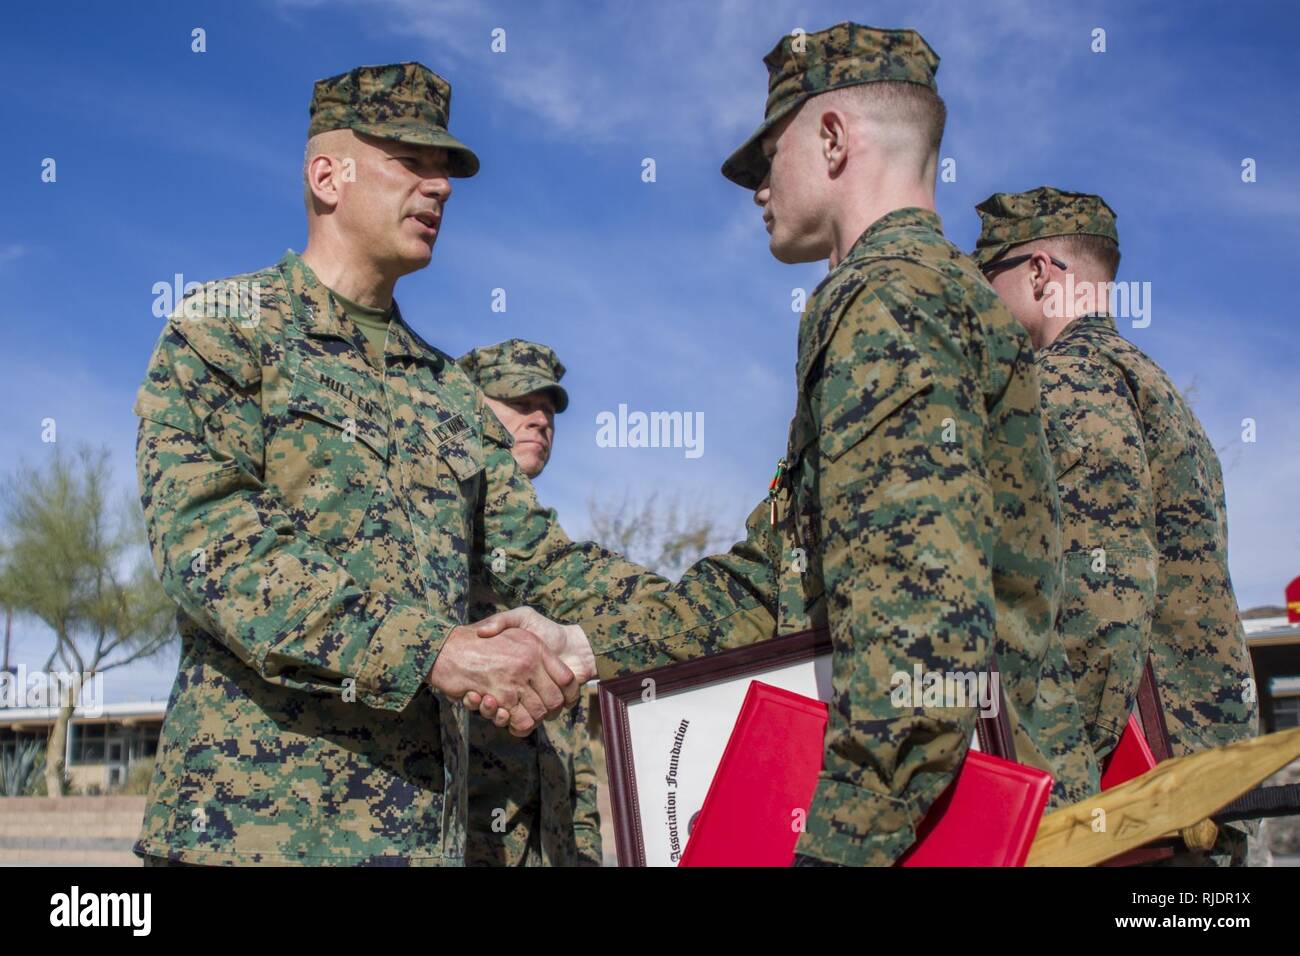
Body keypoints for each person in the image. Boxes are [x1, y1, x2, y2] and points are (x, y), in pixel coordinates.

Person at [471, 23, 1099, 866]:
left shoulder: (888, 300)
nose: (756, 189)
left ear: (834, 138)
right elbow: (767, 581)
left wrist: (832, 850)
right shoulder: (928, 292)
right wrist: (583, 647)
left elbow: (919, 647)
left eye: (767, 159)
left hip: (944, 826)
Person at [131, 62, 701, 866]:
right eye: (412, 160)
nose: (440, 188)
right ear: (327, 175)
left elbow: (541, 566)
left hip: (421, 846)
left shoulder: (450, 393)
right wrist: (436, 651)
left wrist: (719, 616)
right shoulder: (226, 329)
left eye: (447, 171)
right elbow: (211, 544)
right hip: (249, 836)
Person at [972, 186, 1259, 863]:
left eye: (988, 282)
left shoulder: (1061, 385)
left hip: (1127, 818)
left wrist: (1065, 797)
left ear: (1040, 273)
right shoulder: (1156, 392)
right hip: (1197, 795)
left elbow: (1100, 616)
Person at [457, 340, 601, 866]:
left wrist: (584, 853)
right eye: (521, 403)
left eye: (549, 411)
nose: (541, 420)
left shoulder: (553, 561)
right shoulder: (433, 542)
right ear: (468, 405)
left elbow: (571, 745)